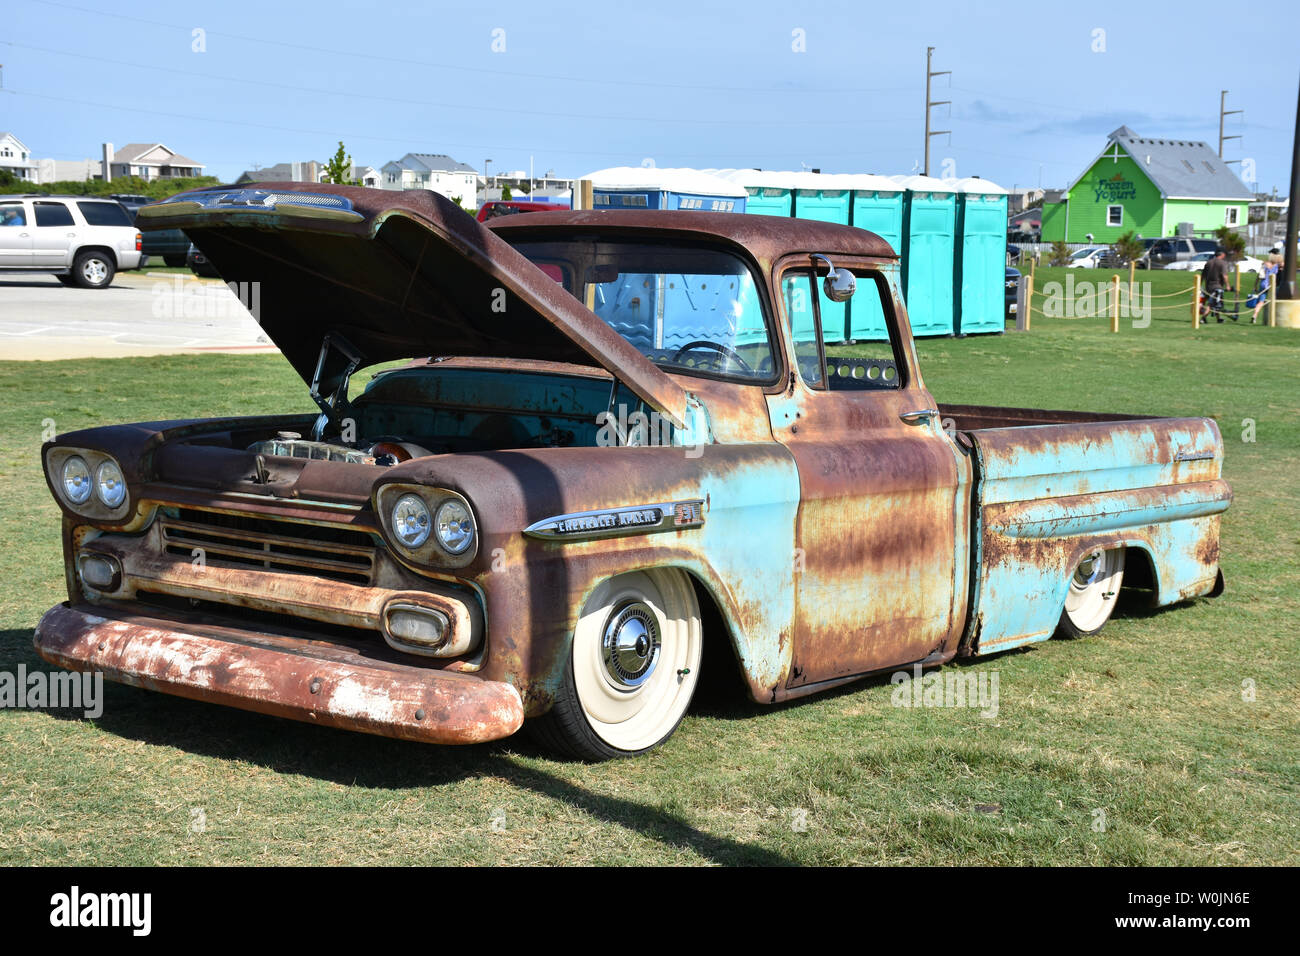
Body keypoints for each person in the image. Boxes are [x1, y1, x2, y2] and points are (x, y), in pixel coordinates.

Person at [1201, 250, 1235, 323]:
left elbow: (1202, 276)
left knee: (1217, 303)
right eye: (1225, 254)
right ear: (1222, 255)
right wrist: (1228, 286)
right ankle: (1203, 318)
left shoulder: (1208, 262)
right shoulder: (1222, 263)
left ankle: (1218, 319)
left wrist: (1199, 285)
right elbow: (1224, 276)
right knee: (1212, 304)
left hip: (1208, 287)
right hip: (1217, 287)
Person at [1249, 253, 1283, 324]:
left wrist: (1255, 285)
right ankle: (1274, 317)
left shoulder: (1265, 265)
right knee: (1274, 301)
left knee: (1260, 302)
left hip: (1263, 284)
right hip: (1272, 285)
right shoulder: (1277, 265)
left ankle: (1254, 316)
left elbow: (1259, 276)